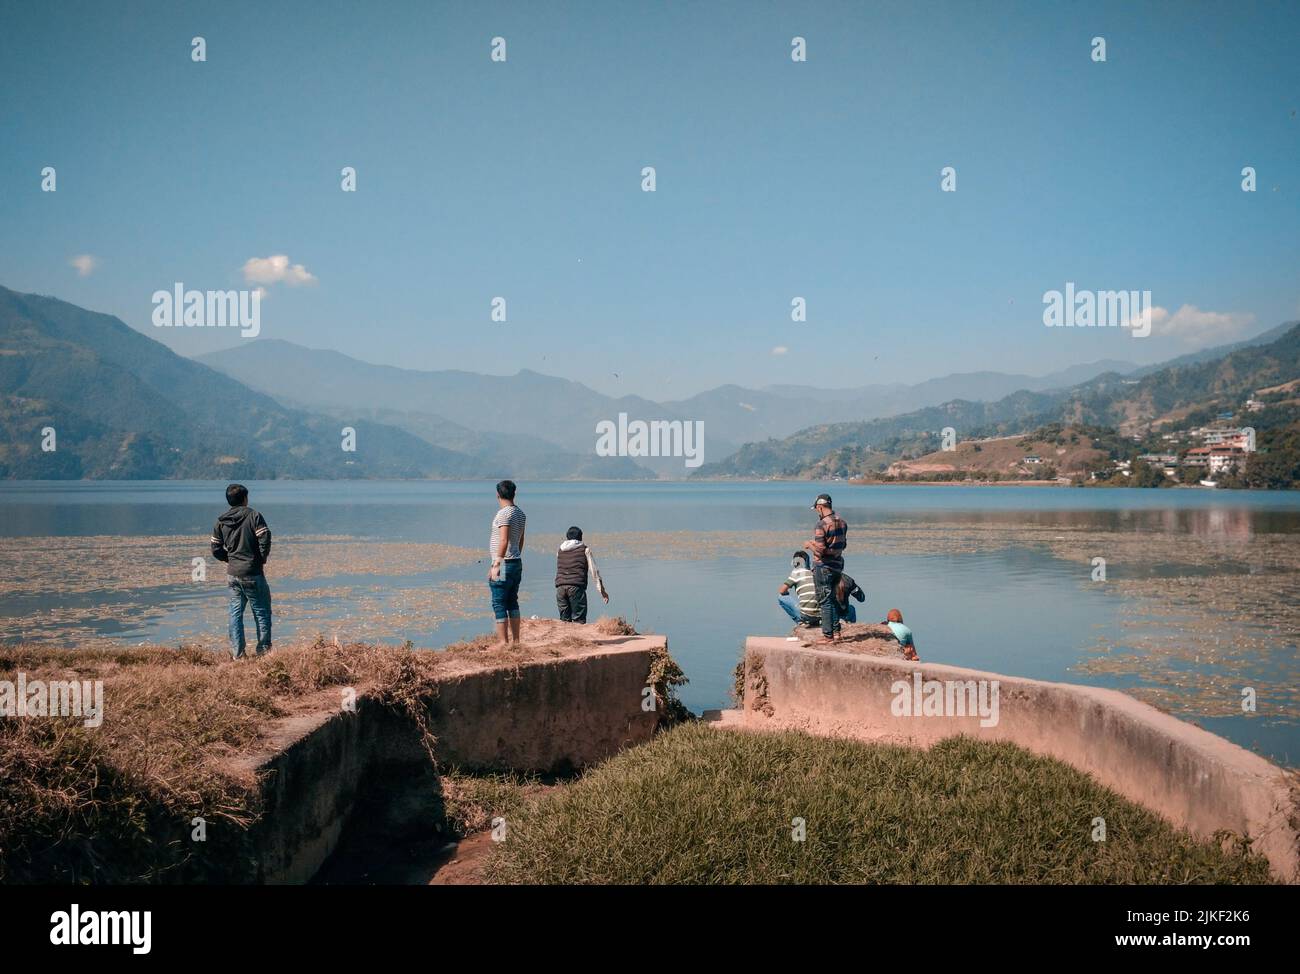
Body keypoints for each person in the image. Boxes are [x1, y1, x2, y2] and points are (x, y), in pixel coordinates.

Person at [210, 483, 272, 660]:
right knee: (261, 612)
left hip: (233, 574)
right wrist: (261, 558)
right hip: (253, 572)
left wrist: (228, 559)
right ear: (245, 498)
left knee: (235, 614)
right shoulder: (254, 516)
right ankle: (263, 652)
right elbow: (265, 538)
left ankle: (238, 654)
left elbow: (215, 548)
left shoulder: (221, 521)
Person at [804, 492, 848, 644]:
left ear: (821, 507)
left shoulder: (821, 525)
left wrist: (810, 545)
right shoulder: (842, 522)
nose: (817, 511)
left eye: (817, 508)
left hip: (823, 567)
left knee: (824, 600)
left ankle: (827, 635)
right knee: (834, 599)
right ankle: (837, 633)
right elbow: (844, 545)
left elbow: (820, 550)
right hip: (838, 566)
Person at [488, 480, 526, 644]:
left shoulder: (504, 514)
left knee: (498, 602)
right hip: (515, 561)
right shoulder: (520, 513)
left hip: (504, 563)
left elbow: (503, 540)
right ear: (514, 494)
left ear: (498, 495)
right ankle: (516, 641)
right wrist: (515, 555)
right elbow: (520, 540)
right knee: (512, 601)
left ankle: (503, 642)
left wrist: (496, 565)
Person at [554, 526, 609, 623]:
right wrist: (602, 591)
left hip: (560, 588)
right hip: (576, 588)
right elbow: (594, 572)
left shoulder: (560, 550)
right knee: (579, 621)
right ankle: (578, 638)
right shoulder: (585, 550)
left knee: (564, 621)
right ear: (580, 537)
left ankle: (567, 638)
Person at [778, 551, 820, 627]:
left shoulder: (797, 573)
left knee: (781, 597)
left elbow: (781, 590)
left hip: (806, 616)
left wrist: (786, 593)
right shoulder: (815, 573)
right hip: (821, 615)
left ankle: (800, 622)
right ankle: (814, 621)